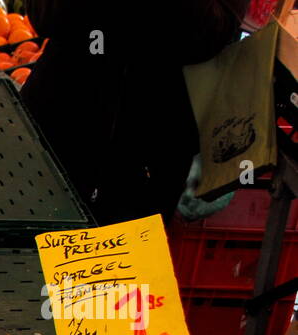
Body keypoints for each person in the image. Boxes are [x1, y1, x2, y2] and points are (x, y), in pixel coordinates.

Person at [19, 0, 247, 226]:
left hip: (148, 153)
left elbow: (212, 32)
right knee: (23, 248)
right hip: (58, 125)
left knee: (123, 254)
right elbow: (45, 16)